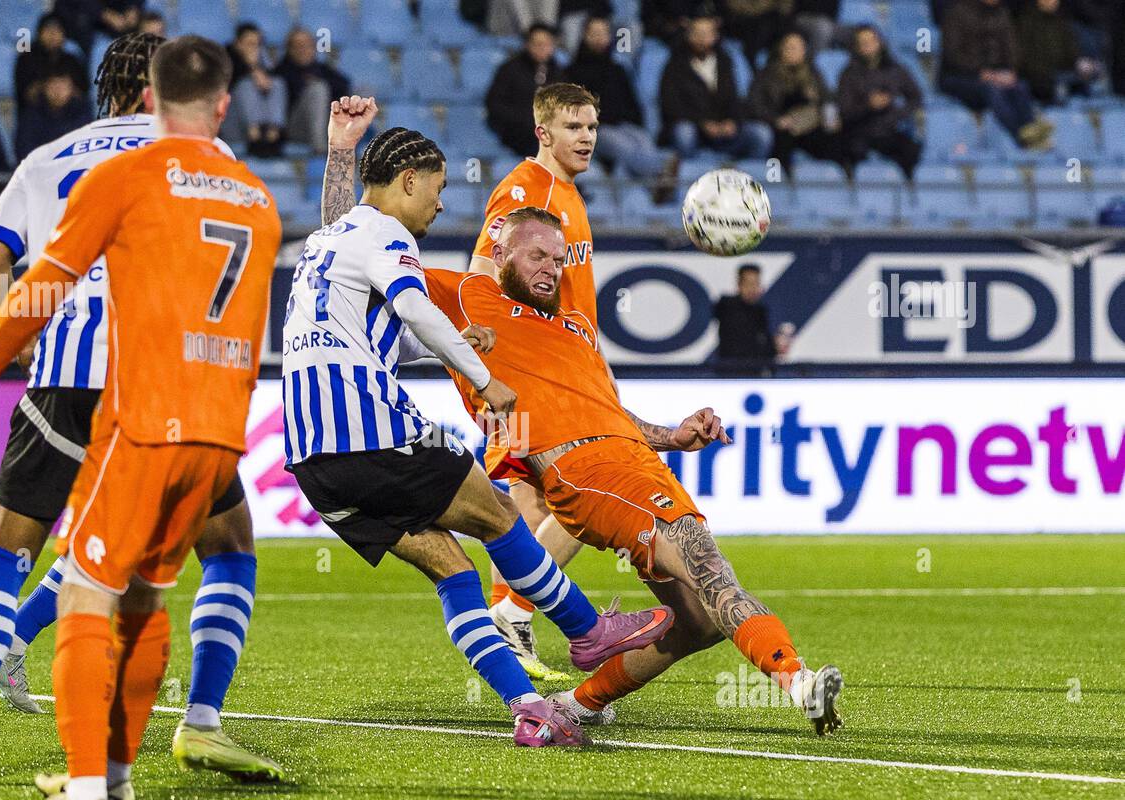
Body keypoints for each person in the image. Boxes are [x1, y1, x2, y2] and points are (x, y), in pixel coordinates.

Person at [0, 35, 283, 800]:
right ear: (223, 106)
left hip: (115, 401)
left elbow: (25, 279)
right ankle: (154, 754)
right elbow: (251, 321)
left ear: (149, 94)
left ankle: (48, 775)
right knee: (169, 581)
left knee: (70, 578)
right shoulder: (254, 192)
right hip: (216, 418)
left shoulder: (87, 163)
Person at [304, 99, 674, 746]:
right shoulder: (390, 236)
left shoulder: (327, 240)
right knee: (500, 516)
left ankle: (529, 708)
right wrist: (483, 377)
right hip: (370, 430)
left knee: (454, 571)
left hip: (315, 459)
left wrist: (339, 149)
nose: (441, 207)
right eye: (438, 190)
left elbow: (389, 334)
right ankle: (589, 632)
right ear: (409, 181)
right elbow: (415, 308)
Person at [424, 207, 843, 735]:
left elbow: (610, 410)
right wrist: (343, 149)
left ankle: (578, 704)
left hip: (636, 460)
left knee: (698, 621)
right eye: (537, 256)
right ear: (500, 255)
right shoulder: (467, 297)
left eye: (558, 259)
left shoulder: (576, 326)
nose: (552, 269)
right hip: (584, 469)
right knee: (705, 562)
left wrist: (672, 435)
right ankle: (797, 680)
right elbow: (359, 257)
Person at [469, 82, 603, 680]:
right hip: (540, 376)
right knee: (591, 505)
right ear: (543, 132)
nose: (587, 139)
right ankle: (512, 610)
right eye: (574, 128)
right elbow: (482, 271)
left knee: (528, 507)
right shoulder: (528, 189)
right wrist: (498, 364)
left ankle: (513, 630)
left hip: (564, 370)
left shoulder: (568, 194)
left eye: (593, 128)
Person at [566, 15, 676, 199]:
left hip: (624, 125)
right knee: (625, 149)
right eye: (595, 33)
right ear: (585, 36)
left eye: (603, 33)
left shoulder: (618, 69)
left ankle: (656, 190)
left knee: (644, 142)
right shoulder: (573, 71)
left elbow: (632, 103)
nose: (600, 38)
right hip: (596, 130)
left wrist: (634, 123)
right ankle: (660, 170)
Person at [939, 0, 1052, 150]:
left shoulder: (1002, 13)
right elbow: (953, 55)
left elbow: (1011, 49)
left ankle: (1032, 129)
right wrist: (983, 73)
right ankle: (1022, 137)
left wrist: (1010, 71)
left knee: (1019, 87)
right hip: (958, 77)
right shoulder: (957, 12)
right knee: (992, 90)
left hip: (995, 75)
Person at [659, 14, 772, 159]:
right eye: (697, 33)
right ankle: (688, 176)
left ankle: (747, 176)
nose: (702, 39)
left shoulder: (726, 62)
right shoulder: (674, 66)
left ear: (715, 36)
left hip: (725, 131)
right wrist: (702, 123)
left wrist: (732, 122)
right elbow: (670, 106)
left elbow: (735, 99)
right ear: (688, 36)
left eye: (706, 33)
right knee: (684, 132)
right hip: (695, 130)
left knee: (761, 133)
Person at [748, 30, 848, 175]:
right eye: (790, 47)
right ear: (781, 49)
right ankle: (778, 182)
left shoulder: (813, 73)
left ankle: (839, 182)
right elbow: (755, 105)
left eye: (799, 48)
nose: (795, 51)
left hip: (809, 125)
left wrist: (830, 117)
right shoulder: (766, 74)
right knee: (781, 142)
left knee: (835, 139)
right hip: (781, 126)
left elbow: (826, 99)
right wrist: (776, 120)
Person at [837, 25, 923, 179]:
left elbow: (916, 97)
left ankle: (909, 194)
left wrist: (897, 113)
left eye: (872, 40)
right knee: (848, 151)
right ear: (856, 47)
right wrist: (868, 106)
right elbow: (845, 110)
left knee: (911, 149)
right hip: (859, 131)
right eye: (863, 42)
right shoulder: (848, 74)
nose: (868, 45)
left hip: (888, 129)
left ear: (880, 42)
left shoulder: (895, 69)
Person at [485, 23, 565, 158]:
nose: (542, 48)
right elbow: (495, 104)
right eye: (537, 44)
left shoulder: (558, 73)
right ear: (527, 44)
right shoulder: (509, 70)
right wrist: (525, 119)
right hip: (517, 132)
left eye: (546, 44)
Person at [274, 26, 349, 152]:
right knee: (317, 89)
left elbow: (344, 86)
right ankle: (321, 150)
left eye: (307, 45)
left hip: (326, 124)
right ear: (289, 49)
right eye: (298, 45)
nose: (303, 50)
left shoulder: (322, 70)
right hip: (295, 129)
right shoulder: (280, 72)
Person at [1016, 0, 1100, 104]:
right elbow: (1025, 55)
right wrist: (1045, 73)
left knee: (1089, 75)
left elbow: (1071, 47)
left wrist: (1078, 61)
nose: (1052, 2)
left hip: (1062, 71)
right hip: (1039, 77)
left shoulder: (1061, 19)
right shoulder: (1026, 21)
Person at [222, 21, 287, 157]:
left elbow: (277, 81)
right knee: (245, 85)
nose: (254, 48)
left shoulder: (265, 61)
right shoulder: (224, 59)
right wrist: (251, 67)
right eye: (249, 44)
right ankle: (255, 137)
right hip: (233, 124)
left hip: (266, 123)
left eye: (257, 44)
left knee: (277, 84)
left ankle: (273, 135)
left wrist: (259, 69)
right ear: (237, 43)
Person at [713, 264, 792, 374]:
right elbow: (742, 343)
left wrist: (775, 348)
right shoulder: (727, 306)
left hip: (754, 376)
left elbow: (766, 348)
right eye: (749, 284)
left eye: (756, 283)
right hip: (731, 376)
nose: (753, 288)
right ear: (739, 285)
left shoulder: (760, 312)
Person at [14, 13, 89, 113]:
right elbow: (25, 93)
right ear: (39, 34)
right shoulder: (26, 60)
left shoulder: (72, 61)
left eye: (57, 31)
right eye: (48, 30)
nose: (52, 35)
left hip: (71, 117)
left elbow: (83, 92)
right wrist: (47, 87)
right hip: (36, 116)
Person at [15, 70, 94, 160]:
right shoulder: (31, 116)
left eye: (63, 85)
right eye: (53, 85)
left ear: (72, 89)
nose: (57, 91)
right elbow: (24, 150)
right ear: (44, 87)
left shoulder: (82, 114)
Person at [720, 0, 795, 71]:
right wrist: (765, 6)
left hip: (771, 23)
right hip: (742, 22)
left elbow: (786, 7)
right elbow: (733, 5)